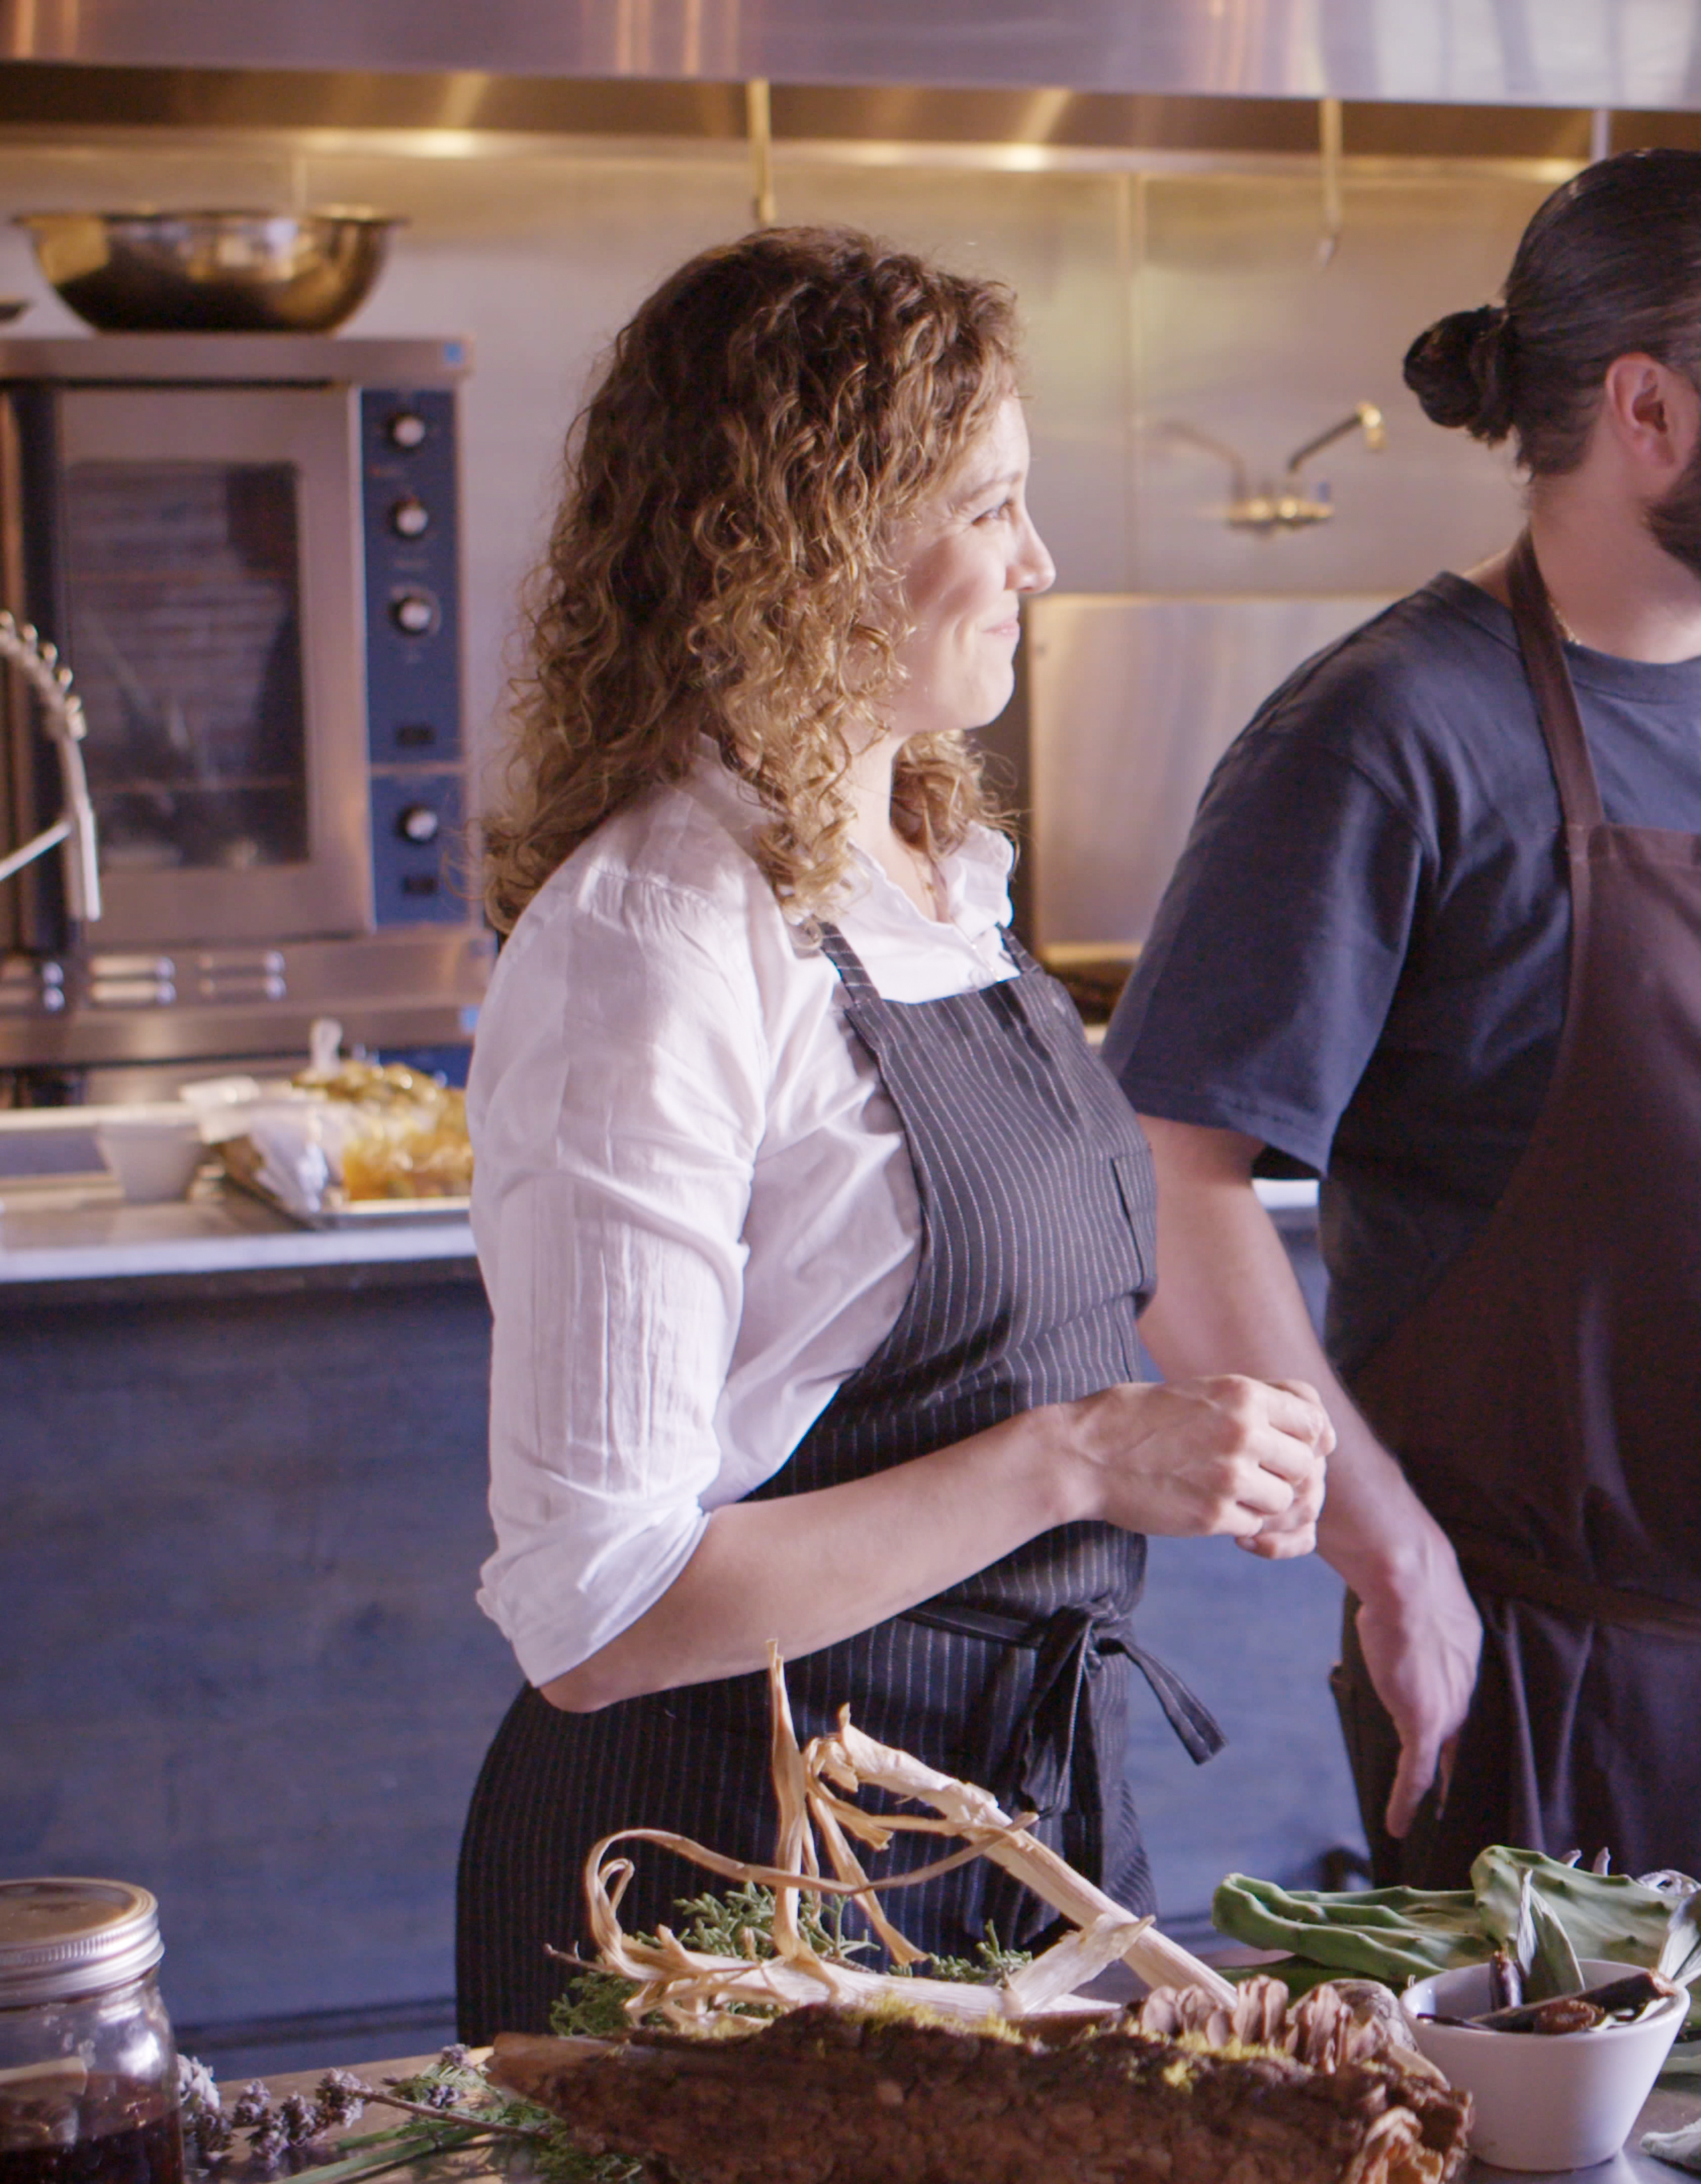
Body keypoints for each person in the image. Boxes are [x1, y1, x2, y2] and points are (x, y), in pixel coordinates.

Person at [1111, 149, 1701, 1888]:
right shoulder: (1390, 733)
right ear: (1647, 408)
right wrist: (1389, 1555)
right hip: (1586, 1695)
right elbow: (1167, 1189)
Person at [452, 228, 1333, 2036]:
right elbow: (599, 1614)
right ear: (816, 544)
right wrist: (1078, 1457)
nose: (1039, 559)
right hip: (728, 1894)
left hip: (1000, 1843)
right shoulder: (655, 941)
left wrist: (1197, 1438)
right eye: (992, 504)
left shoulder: (943, 880)